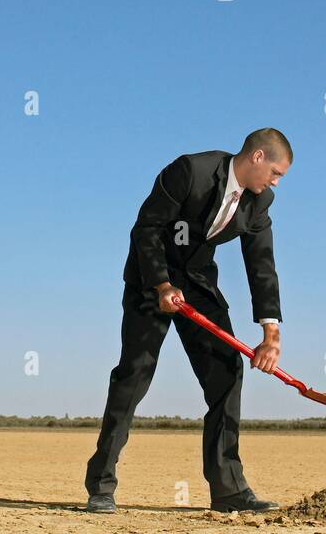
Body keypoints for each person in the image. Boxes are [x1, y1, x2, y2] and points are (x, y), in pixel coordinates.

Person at [84, 128, 292, 513]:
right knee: (134, 374)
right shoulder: (191, 171)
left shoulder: (259, 203)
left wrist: (271, 333)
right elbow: (146, 229)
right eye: (276, 173)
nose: (276, 183)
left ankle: (228, 489)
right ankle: (101, 485)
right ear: (258, 157)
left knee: (227, 372)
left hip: (197, 283)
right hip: (152, 278)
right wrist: (161, 285)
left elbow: (262, 265)